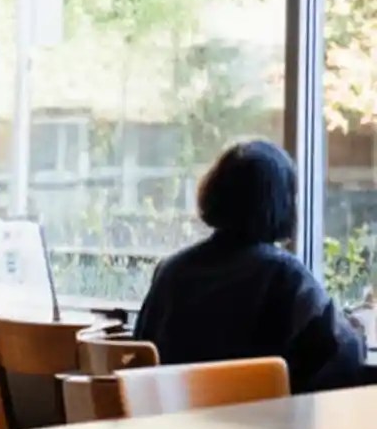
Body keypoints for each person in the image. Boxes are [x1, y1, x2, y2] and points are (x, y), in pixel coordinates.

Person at [134, 139, 366, 393]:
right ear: (283, 203)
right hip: (257, 425)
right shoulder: (284, 276)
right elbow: (340, 355)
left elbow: (141, 355)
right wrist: (357, 329)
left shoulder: (171, 271)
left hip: (172, 426)